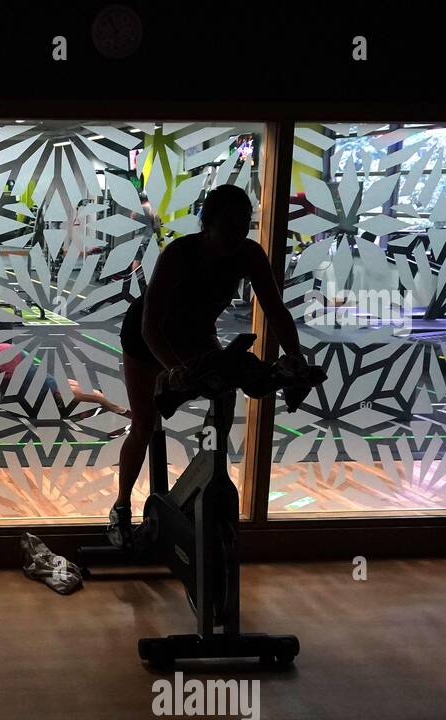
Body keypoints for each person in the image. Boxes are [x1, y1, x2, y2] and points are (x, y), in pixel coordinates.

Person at [108, 183, 304, 550]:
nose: (236, 234)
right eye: (228, 226)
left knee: (225, 391)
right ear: (207, 224)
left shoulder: (248, 254)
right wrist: (175, 370)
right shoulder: (179, 254)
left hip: (195, 333)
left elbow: (276, 310)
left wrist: (296, 356)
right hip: (147, 337)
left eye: (243, 225)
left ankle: (208, 473)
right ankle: (120, 509)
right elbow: (151, 325)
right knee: (145, 423)